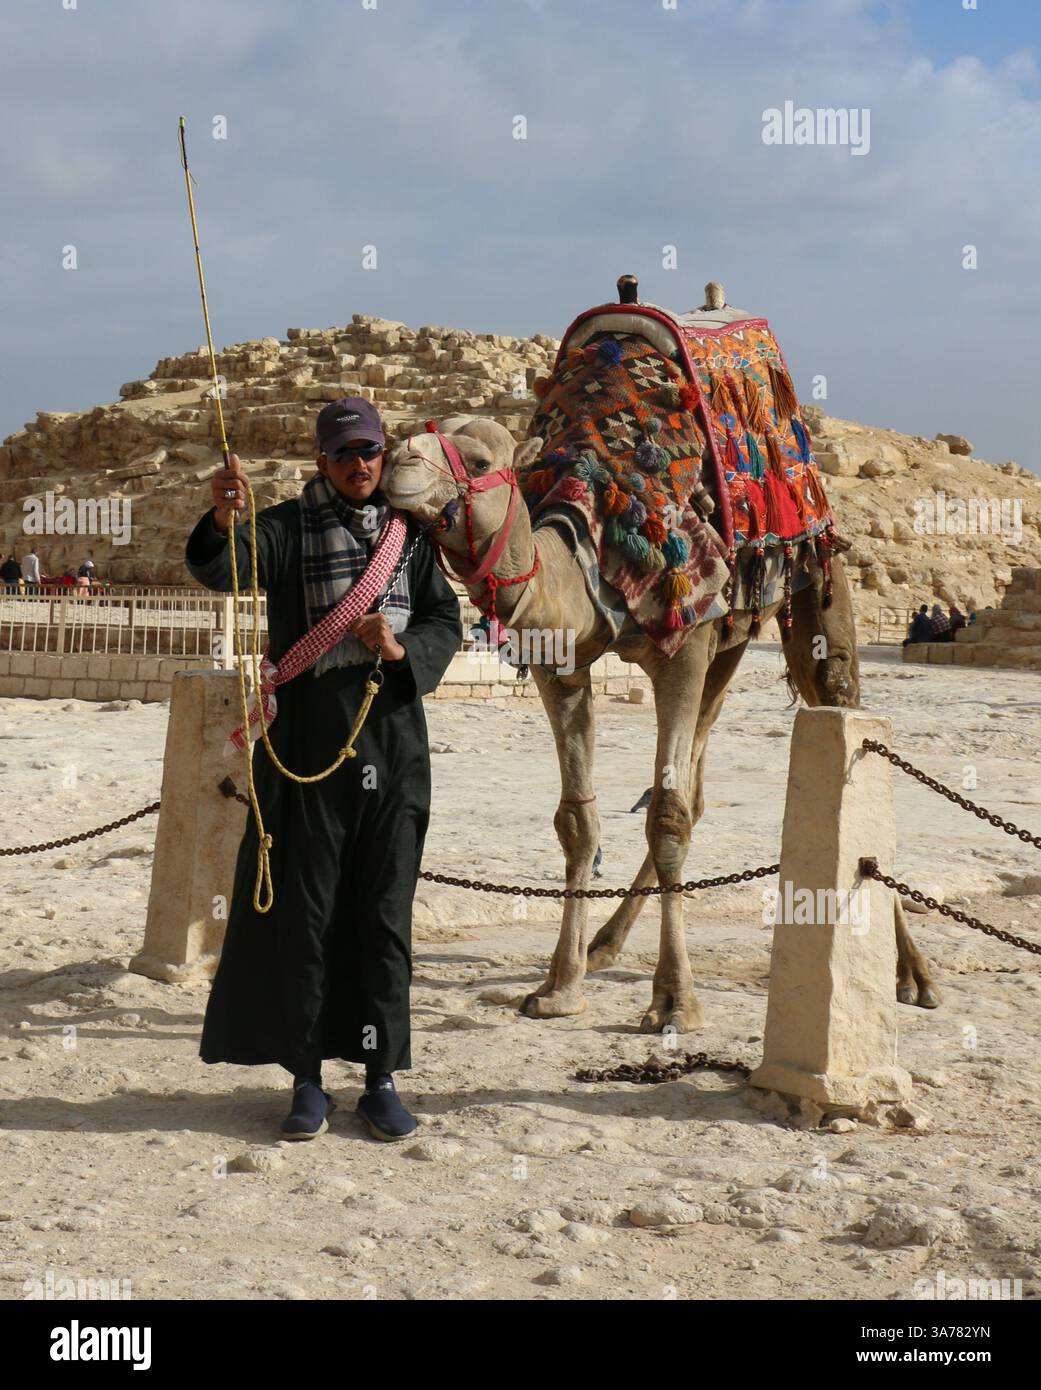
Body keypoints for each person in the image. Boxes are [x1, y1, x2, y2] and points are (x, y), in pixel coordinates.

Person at [184, 398, 462, 1143]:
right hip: (305, 749)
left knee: (382, 915)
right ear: (321, 462)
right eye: (344, 454)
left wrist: (402, 651)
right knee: (304, 915)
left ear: (382, 453)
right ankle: (305, 1080)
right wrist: (221, 517)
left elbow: (443, 621)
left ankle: (380, 1077)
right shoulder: (282, 527)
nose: (359, 464)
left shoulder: (411, 538)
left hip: (392, 747)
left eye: (369, 451)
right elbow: (222, 568)